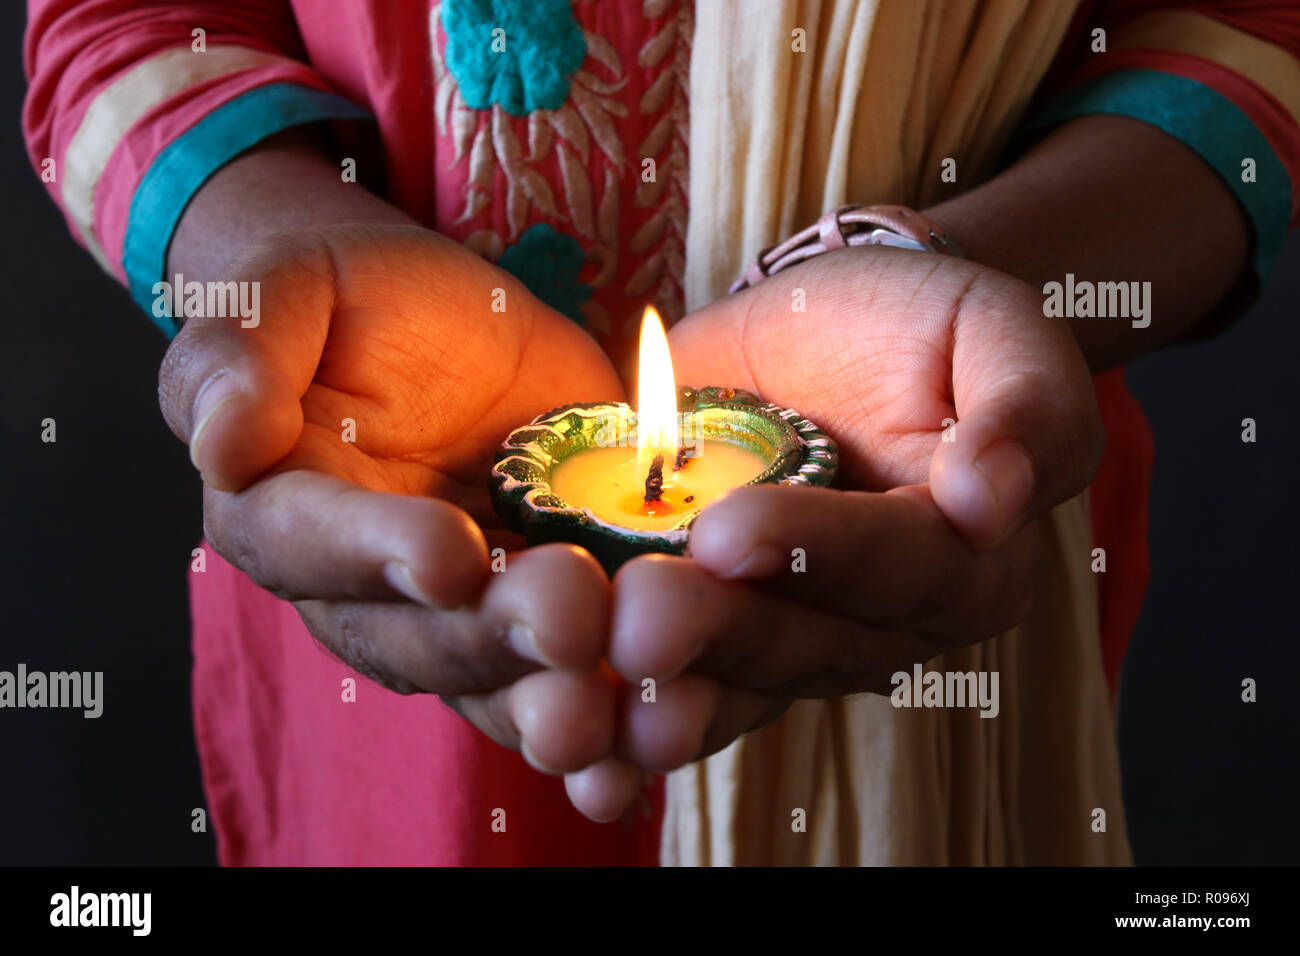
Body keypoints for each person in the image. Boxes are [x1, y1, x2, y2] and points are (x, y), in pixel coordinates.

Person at [24, 0, 1300, 865]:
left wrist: (971, 269)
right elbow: (117, 26)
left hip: (933, 488)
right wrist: (276, 253)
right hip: (386, 532)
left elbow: (1247, 26)